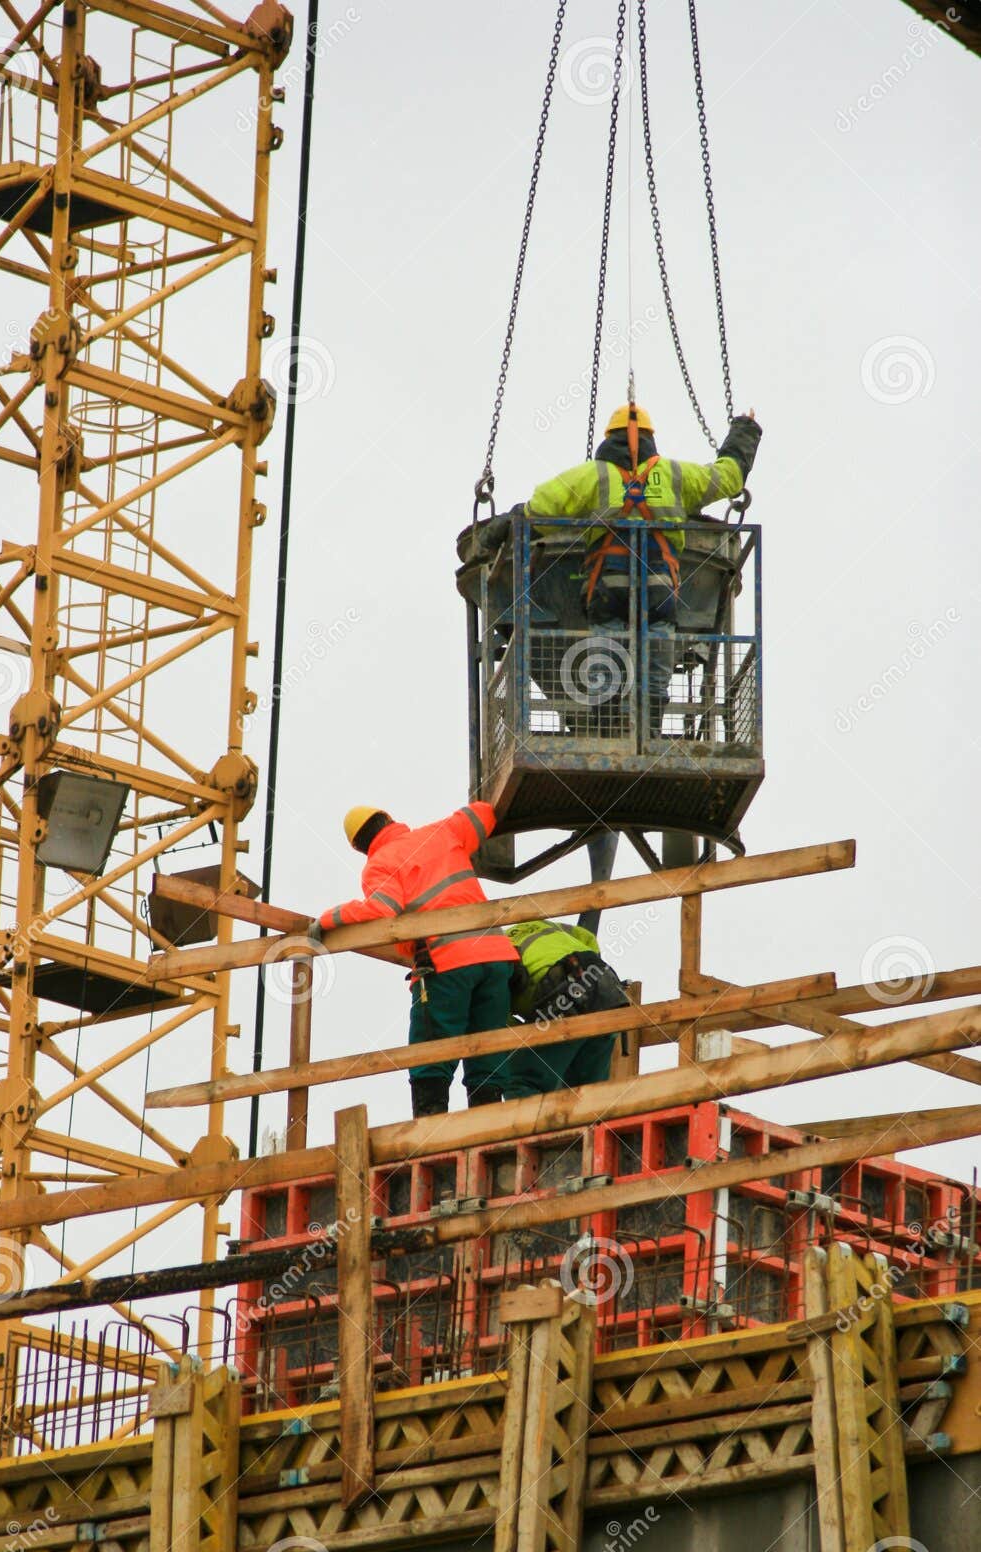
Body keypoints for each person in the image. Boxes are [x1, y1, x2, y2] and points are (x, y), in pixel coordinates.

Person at [491, 403, 762, 732]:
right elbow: (729, 477)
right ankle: (648, 731)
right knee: (658, 653)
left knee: (607, 650)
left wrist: (511, 521)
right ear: (651, 439)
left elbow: (542, 509)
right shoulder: (677, 475)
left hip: (608, 587)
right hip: (660, 588)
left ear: (608, 439)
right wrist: (744, 431)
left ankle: (607, 723)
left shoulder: (593, 476)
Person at [313, 803, 518, 1117]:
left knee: (430, 1052)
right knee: (488, 1046)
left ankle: (429, 1132)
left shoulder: (379, 864)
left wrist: (327, 919)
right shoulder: (440, 831)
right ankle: (490, 1124)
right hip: (496, 957)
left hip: (447, 962)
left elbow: (382, 908)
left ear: (359, 847)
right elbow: (485, 812)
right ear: (390, 819)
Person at [501, 917, 625, 1100]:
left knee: (523, 1081)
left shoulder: (492, 953)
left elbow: (496, 1020)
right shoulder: (542, 926)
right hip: (607, 990)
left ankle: (531, 1127)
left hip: (564, 992)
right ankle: (587, 1128)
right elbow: (587, 936)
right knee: (585, 1091)